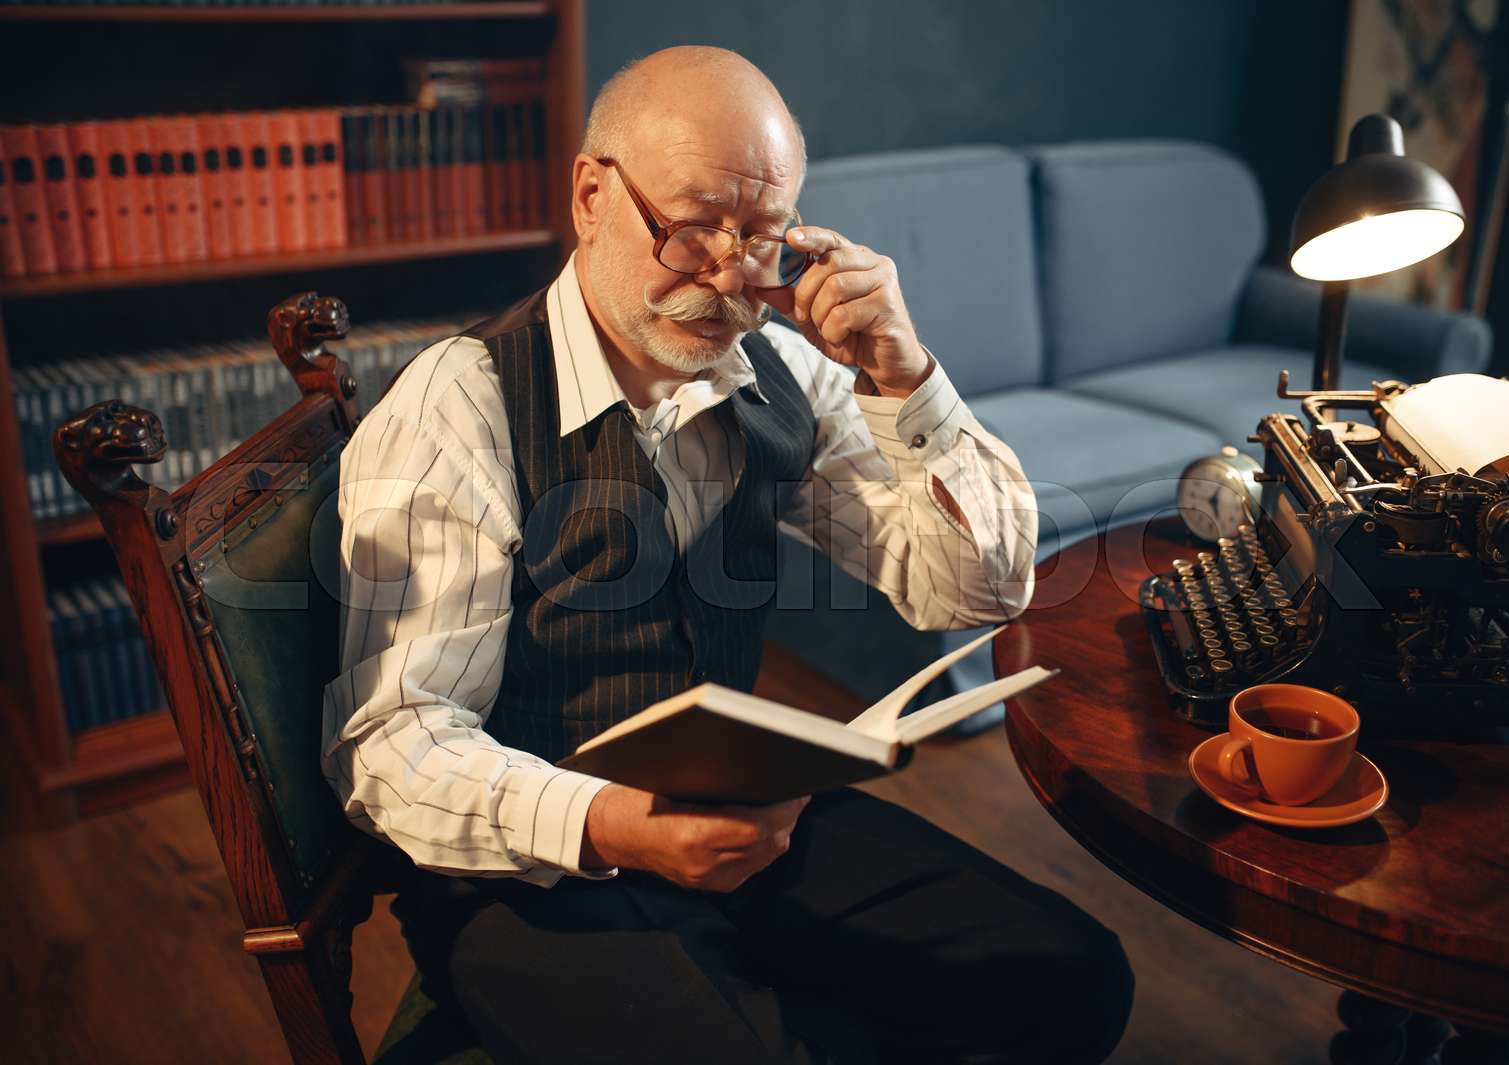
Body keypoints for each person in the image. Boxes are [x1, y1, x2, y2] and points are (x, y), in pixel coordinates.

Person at [322, 45, 1133, 1065]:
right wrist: (617, 826)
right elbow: (390, 746)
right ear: (589, 195)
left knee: (1075, 979)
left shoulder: (781, 367)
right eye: (690, 228)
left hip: (742, 817)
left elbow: (972, 590)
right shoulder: (460, 405)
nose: (723, 276)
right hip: (528, 870)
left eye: (759, 237)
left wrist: (904, 377)